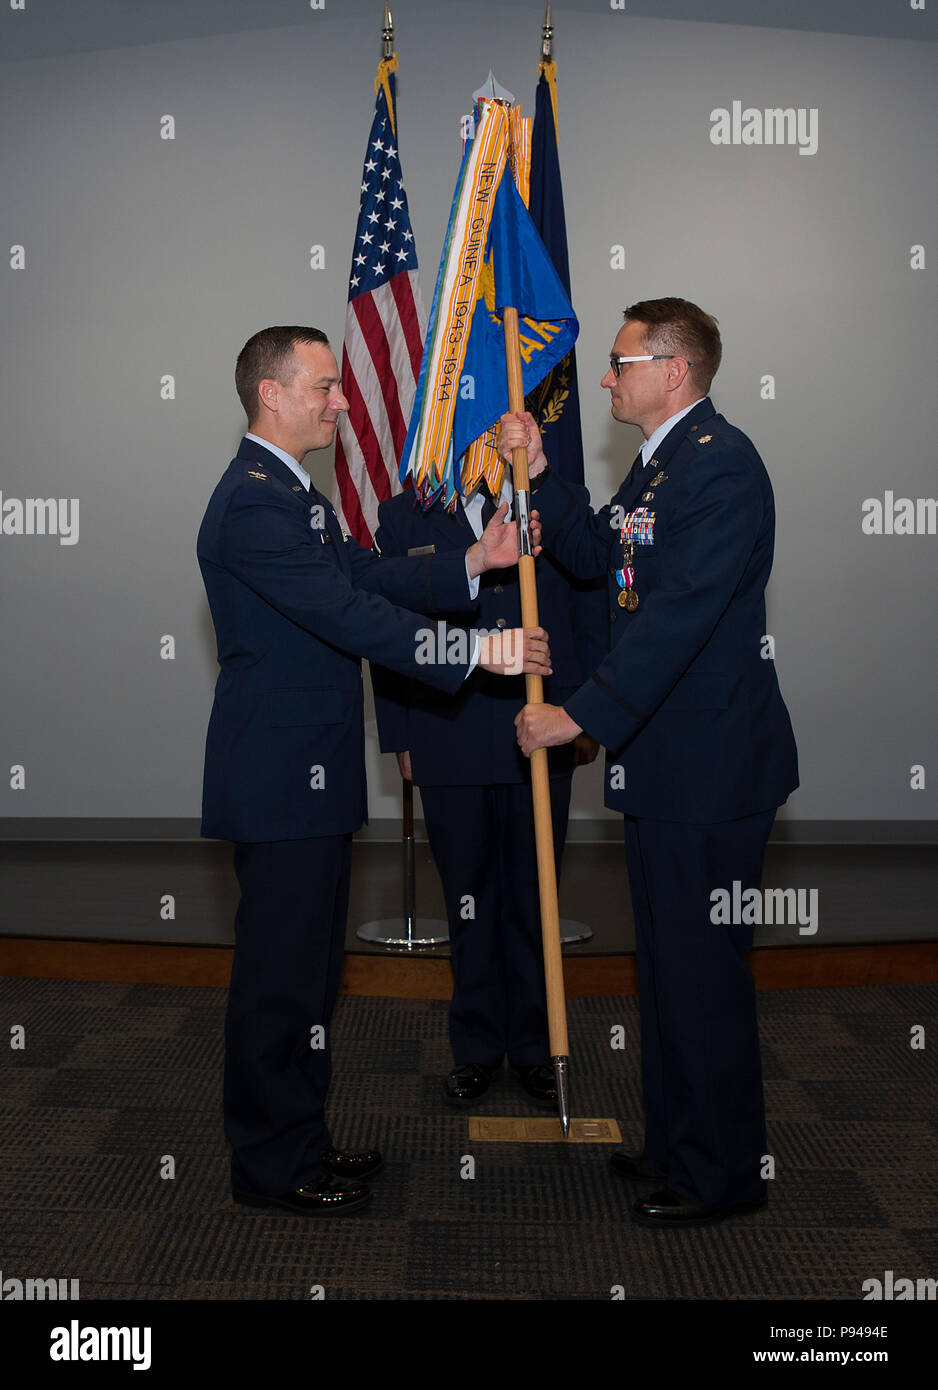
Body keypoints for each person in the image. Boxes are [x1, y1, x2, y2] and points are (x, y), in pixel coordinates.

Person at [197, 325, 551, 1218]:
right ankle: (273, 1167)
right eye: (324, 386)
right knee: (281, 980)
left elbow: (364, 571)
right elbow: (351, 615)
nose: (342, 401)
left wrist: (473, 561)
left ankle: (300, 1143)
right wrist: (480, 650)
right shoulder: (252, 503)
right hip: (279, 780)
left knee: (312, 975)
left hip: (305, 775)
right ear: (271, 394)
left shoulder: (291, 492)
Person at [499, 298, 798, 1227]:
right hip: (669, 767)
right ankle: (677, 1146)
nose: (606, 376)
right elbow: (596, 556)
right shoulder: (662, 465)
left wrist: (578, 718)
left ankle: (720, 1178)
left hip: (711, 770)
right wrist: (543, 473)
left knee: (702, 973)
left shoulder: (721, 468)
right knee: (668, 969)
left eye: (620, 361)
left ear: (673, 369)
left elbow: (676, 620)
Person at [371, 474, 605, 1109]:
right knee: (468, 898)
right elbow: (384, 631)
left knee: (536, 897)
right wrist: (400, 736)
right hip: (446, 730)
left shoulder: (546, 504)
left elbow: (586, 604)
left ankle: (535, 1045)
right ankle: (475, 1046)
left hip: (543, 726)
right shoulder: (402, 516)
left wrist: (588, 715)